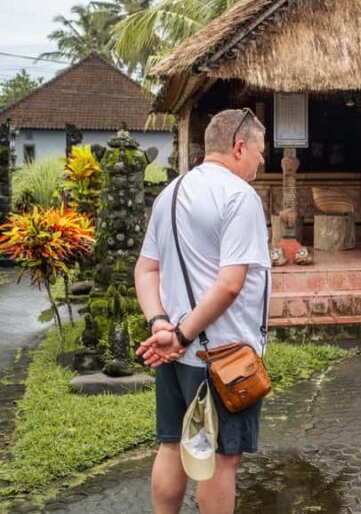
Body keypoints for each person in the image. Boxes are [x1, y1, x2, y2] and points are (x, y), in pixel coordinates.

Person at [134, 108, 270, 514]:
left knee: (174, 445)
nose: (263, 161)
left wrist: (161, 324)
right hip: (222, 358)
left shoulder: (170, 192)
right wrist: (179, 336)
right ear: (239, 147)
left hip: (177, 356)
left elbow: (146, 268)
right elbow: (230, 284)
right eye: (260, 151)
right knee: (220, 457)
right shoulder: (238, 196)